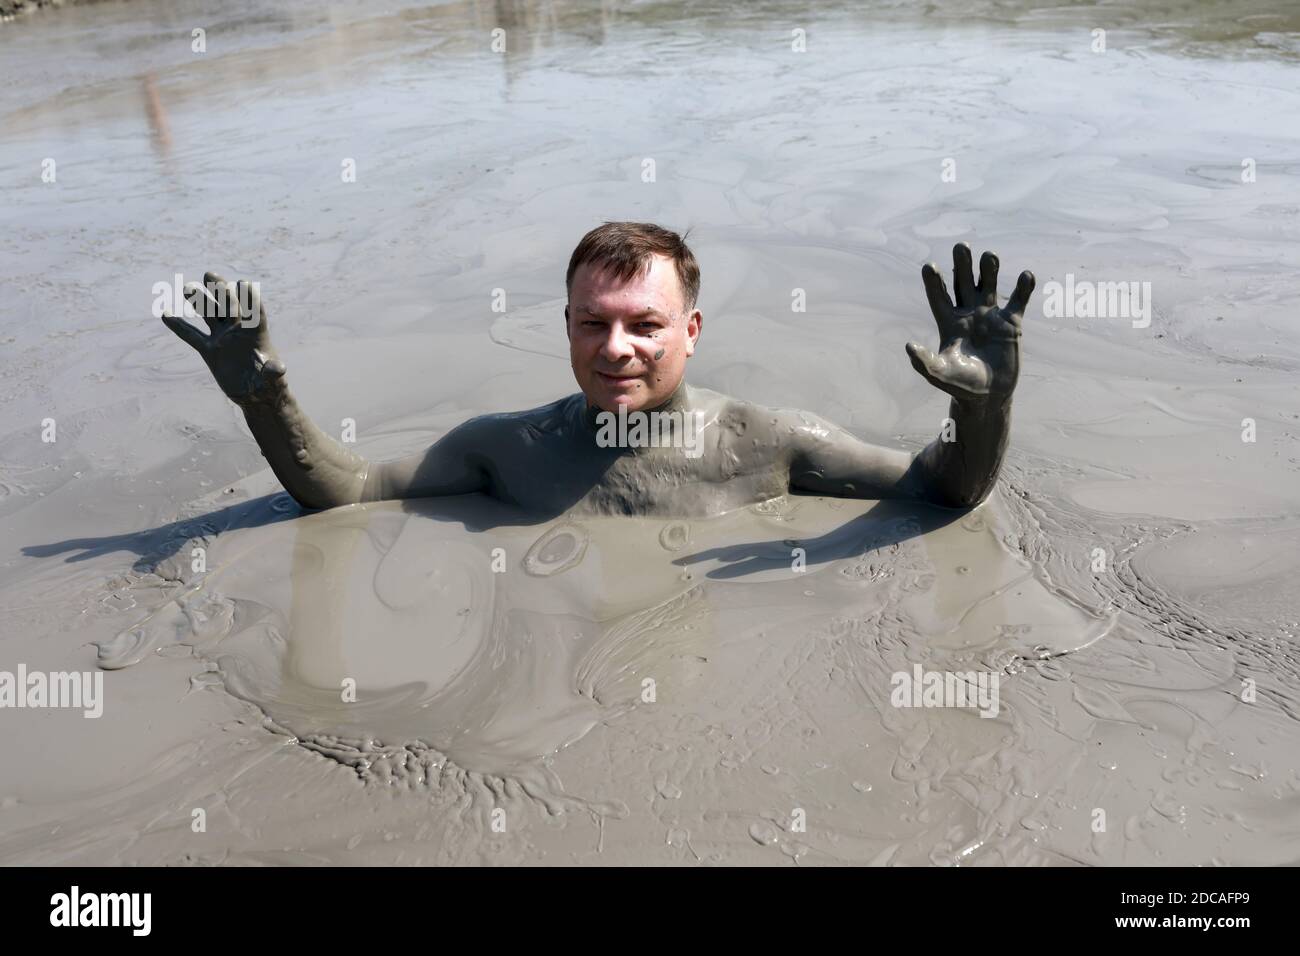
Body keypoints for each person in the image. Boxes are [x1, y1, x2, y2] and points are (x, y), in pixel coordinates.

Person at [160, 221, 1034, 518]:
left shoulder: (769, 442)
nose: (615, 348)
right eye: (593, 324)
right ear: (567, 327)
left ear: (691, 331)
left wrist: (986, 412)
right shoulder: (509, 449)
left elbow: (940, 491)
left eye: (644, 326)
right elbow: (345, 492)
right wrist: (266, 398)